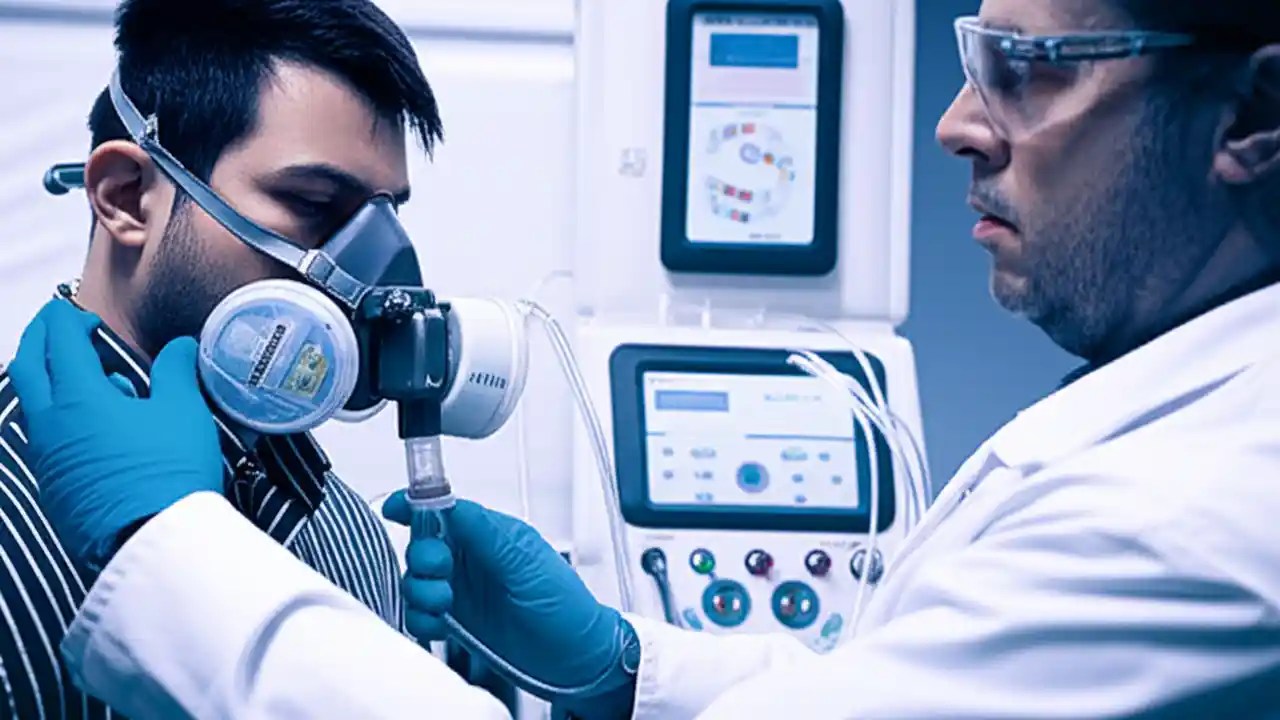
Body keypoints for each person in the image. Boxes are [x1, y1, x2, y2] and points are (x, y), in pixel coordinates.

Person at [8, 0, 1280, 717]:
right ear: (125, 193)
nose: (954, 124)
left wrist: (166, 551)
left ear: (1251, 119)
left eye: (1025, 71)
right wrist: (627, 664)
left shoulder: (1199, 521)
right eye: (310, 205)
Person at [0, 0, 447, 717]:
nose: (371, 274)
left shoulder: (346, 526)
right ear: (125, 198)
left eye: (383, 216)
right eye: (312, 202)